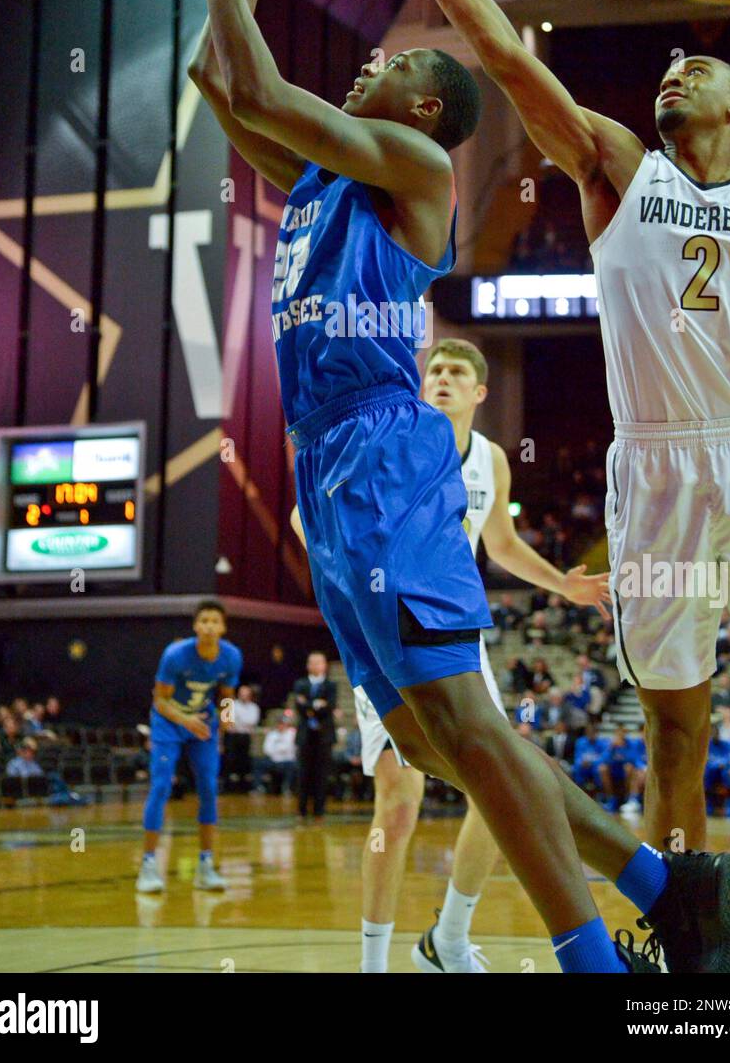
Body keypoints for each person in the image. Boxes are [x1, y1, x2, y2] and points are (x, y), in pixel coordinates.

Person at [168, 0, 730, 975]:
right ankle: (662, 886)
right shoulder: (329, 179)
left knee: (471, 730)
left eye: (384, 73)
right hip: (325, 471)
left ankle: (600, 962)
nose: (358, 76)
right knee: (436, 741)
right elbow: (219, 83)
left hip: (386, 459)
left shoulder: (415, 173)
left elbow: (268, 88)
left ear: (422, 106)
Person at [328, 0, 730, 857]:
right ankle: (683, 943)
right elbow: (508, 59)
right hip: (661, 468)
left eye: (703, 69)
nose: (677, 64)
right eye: (669, 63)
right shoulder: (615, 166)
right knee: (676, 732)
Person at [292, 335, 610, 972]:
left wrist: (564, 585)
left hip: (456, 636)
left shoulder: (491, 459)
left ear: (479, 392)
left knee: (503, 786)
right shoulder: (394, 437)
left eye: (456, 371)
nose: (440, 376)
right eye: (433, 367)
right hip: (388, 631)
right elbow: (308, 520)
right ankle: (373, 965)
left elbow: (503, 545)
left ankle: (449, 939)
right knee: (399, 802)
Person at [135, 600, 242, 893]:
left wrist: (228, 719)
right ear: (195, 626)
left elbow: (227, 695)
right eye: (203, 620)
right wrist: (186, 721)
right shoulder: (175, 655)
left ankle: (206, 865)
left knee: (208, 787)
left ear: (223, 627)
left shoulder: (231, 656)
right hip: (168, 722)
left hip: (202, 723)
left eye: (214, 621)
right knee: (160, 787)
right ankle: (147, 864)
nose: (209, 626)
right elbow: (160, 700)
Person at [292, 653, 337, 820]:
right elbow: (299, 707)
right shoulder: (300, 684)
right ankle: (301, 810)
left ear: (325, 665)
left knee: (322, 774)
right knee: (303, 774)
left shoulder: (331, 685)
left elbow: (329, 707)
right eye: (312, 662)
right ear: (307, 665)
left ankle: (319, 811)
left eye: (319, 662)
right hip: (305, 736)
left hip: (324, 737)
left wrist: (309, 705)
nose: (316, 665)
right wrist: (317, 705)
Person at [221, 684, 261, 789]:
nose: (244, 696)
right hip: (232, 736)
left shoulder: (254, 707)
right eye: (242, 693)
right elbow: (228, 723)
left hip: (245, 737)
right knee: (229, 760)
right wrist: (240, 723)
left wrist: (238, 722)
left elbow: (252, 722)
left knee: (244, 761)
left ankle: (242, 786)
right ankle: (226, 785)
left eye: (246, 694)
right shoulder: (231, 705)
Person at [255, 715, 297, 795]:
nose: (281, 725)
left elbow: (289, 748)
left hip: (287, 761)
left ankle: (286, 787)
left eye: (283, 724)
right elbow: (267, 750)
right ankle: (258, 787)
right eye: (280, 723)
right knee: (257, 762)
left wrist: (277, 749)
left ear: (287, 725)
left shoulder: (292, 733)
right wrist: (280, 750)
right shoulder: (272, 734)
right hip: (273, 760)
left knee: (293, 765)